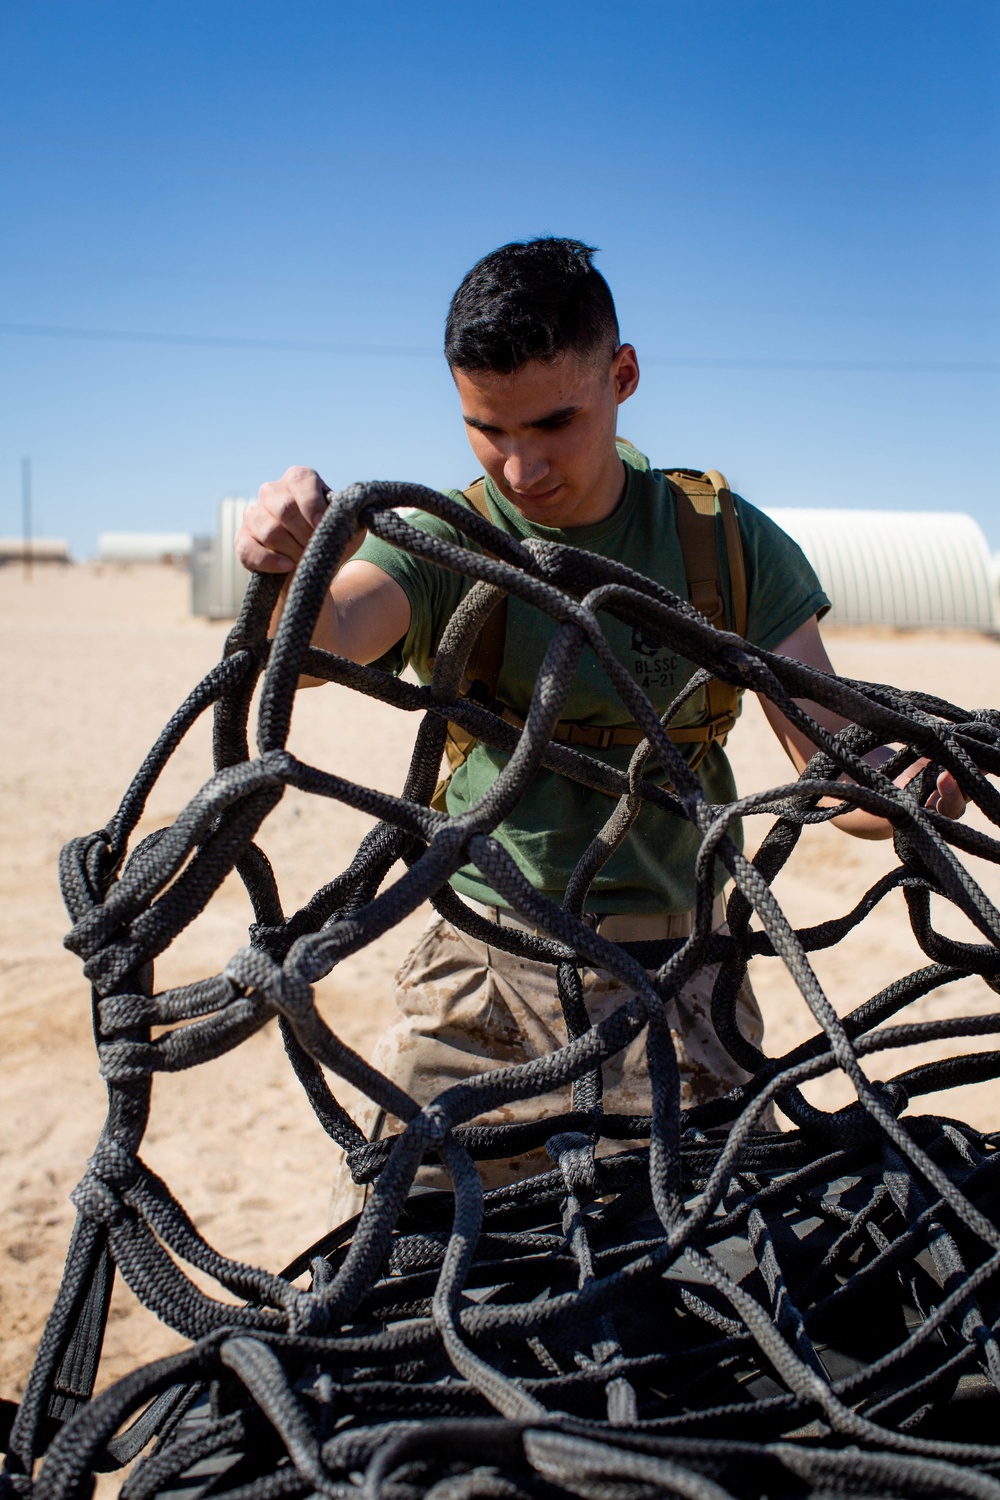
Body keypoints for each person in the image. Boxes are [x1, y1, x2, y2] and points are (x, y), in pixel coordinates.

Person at [236, 238, 965, 1210]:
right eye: (486, 429)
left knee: (708, 1278)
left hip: (684, 985)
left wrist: (908, 790)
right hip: (484, 972)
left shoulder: (722, 542)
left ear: (621, 377)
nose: (522, 466)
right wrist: (286, 562)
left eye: (554, 422)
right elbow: (324, 641)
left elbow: (836, 760)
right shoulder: (454, 539)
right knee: (399, 1251)